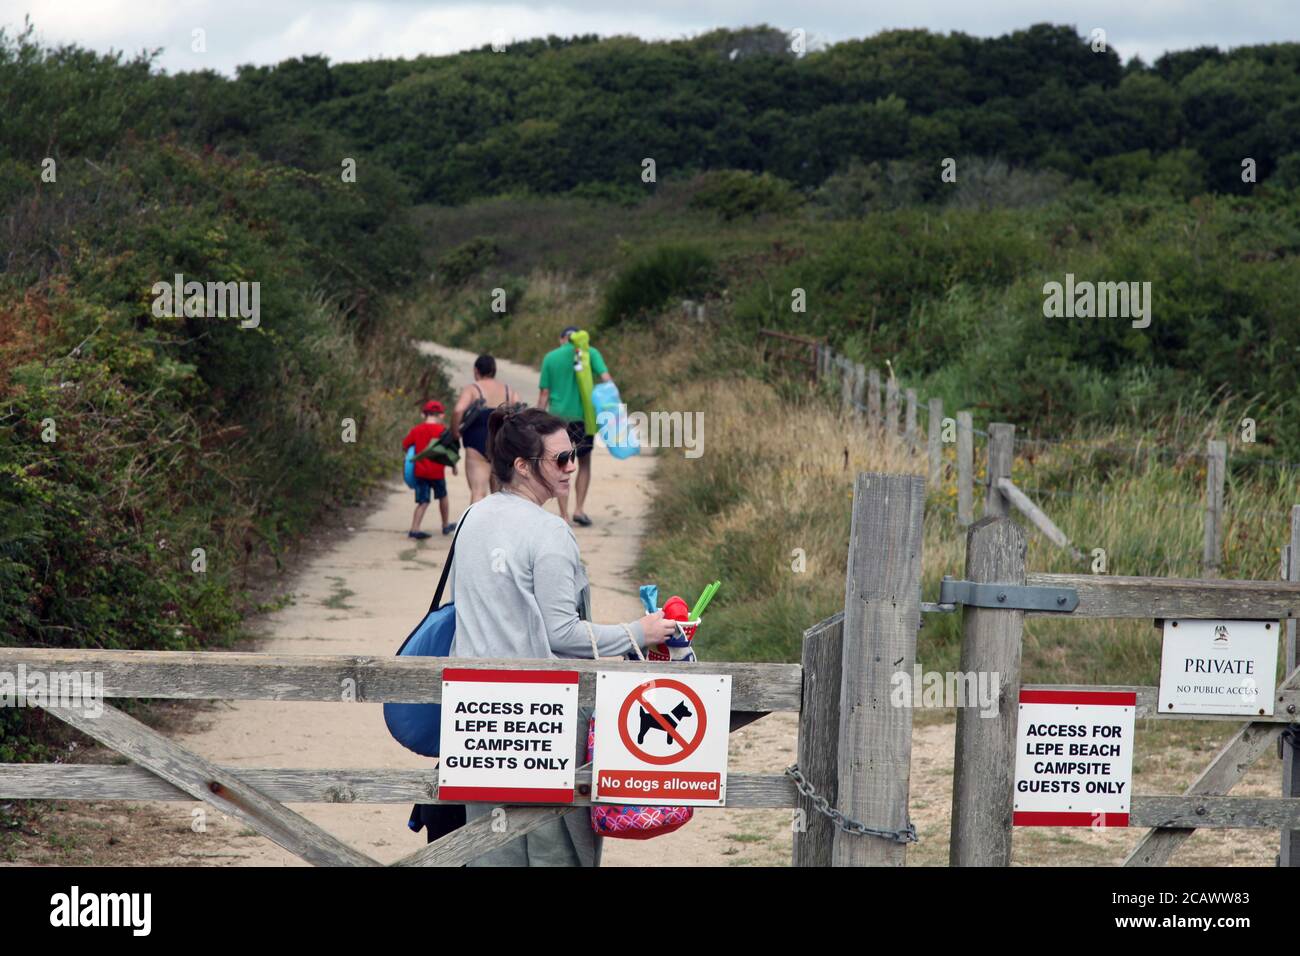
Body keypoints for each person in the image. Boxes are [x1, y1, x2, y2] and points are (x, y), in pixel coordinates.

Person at [447, 404, 675, 866]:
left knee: (489, 849)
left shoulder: (474, 517)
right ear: (522, 466)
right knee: (556, 851)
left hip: (472, 716)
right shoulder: (550, 532)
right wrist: (640, 632)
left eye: (573, 454)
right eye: (561, 459)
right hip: (539, 720)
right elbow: (562, 634)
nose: (572, 466)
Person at [538, 326, 613, 526]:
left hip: (557, 420)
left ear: (562, 339)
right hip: (582, 419)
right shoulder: (590, 353)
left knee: (561, 465)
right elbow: (606, 380)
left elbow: (544, 393)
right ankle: (579, 509)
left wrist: (537, 420)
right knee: (585, 463)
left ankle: (563, 515)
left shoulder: (550, 358)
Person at [450, 354, 517, 504]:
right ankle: (499, 527)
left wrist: (455, 432)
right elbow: (519, 413)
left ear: (476, 370)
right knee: (500, 495)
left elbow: (458, 410)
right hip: (501, 442)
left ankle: (475, 527)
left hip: (477, 440)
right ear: (494, 370)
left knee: (478, 492)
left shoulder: (473, 389)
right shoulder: (508, 391)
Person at [401, 400, 457, 538]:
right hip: (437, 473)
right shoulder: (442, 431)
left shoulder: (417, 430)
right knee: (443, 497)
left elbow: (405, 445)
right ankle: (445, 526)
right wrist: (454, 466)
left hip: (420, 472)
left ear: (423, 414)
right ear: (441, 415)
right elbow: (450, 451)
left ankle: (414, 529)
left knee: (423, 501)